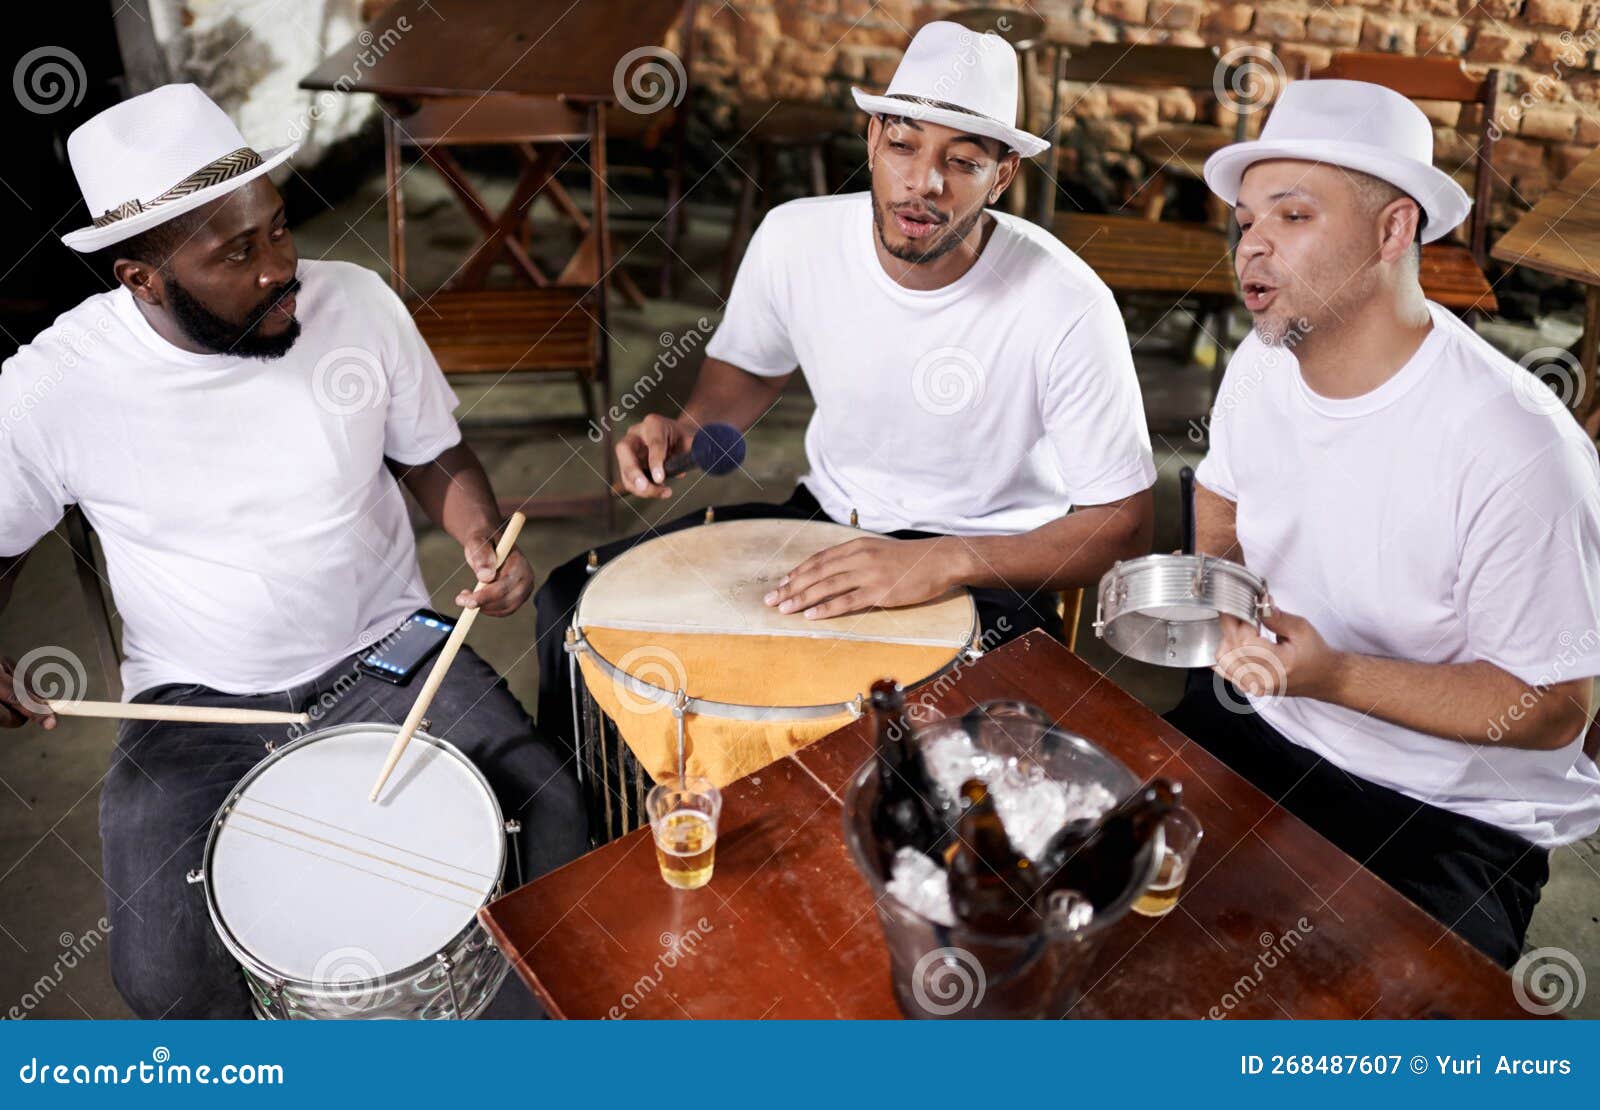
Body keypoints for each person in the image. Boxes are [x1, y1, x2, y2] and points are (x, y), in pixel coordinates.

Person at [0, 84, 586, 1017]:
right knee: (162, 973)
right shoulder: (51, 388)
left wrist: (478, 530)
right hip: (195, 699)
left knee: (553, 816)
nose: (282, 267)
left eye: (279, 228)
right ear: (141, 279)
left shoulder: (356, 304)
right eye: (238, 252)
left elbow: (431, 452)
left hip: (389, 651)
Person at [535, 21, 1156, 745]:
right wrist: (691, 428)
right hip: (828, 522)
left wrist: (940, 560)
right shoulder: (793, 238)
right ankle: (611, 820)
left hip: (987, 563)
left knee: (891, 754)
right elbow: (750, 366)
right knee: (570, 605)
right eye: (903, 146)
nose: (923, 183)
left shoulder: (1065, 303)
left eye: (962, 161)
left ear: (1003, 176)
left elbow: (1124, 526)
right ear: (871, 140)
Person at [1165, 79, 1600, 967]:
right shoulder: (1262, 361)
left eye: (1293, 216)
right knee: (1092, 915)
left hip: (1445, 812)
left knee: (1372, 1022)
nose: (1253, 247)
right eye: (1247, 221)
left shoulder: (1517, 444)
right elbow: (1220, 494)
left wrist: (1334, 676)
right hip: (1264, 722)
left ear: (1393, 229)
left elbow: (1554, 705)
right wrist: (1223, 594)